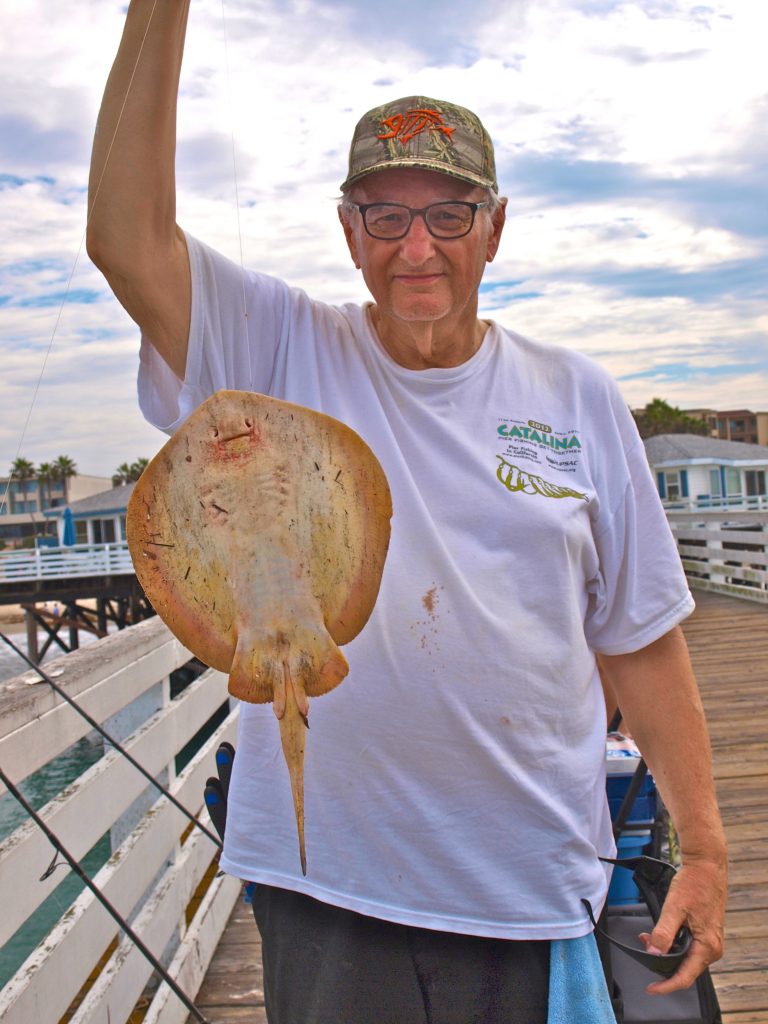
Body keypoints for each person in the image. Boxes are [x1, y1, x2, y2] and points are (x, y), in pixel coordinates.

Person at [88, 4, 727, 1021]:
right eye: (386, 215)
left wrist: (703, 842)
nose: (417, 245)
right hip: (329, 886)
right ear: (349, 232)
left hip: (526, 882)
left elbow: (641, 637)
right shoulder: (279, 344)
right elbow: (125, 241)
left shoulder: (577, 397)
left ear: (496, 228)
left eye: (449, 214)